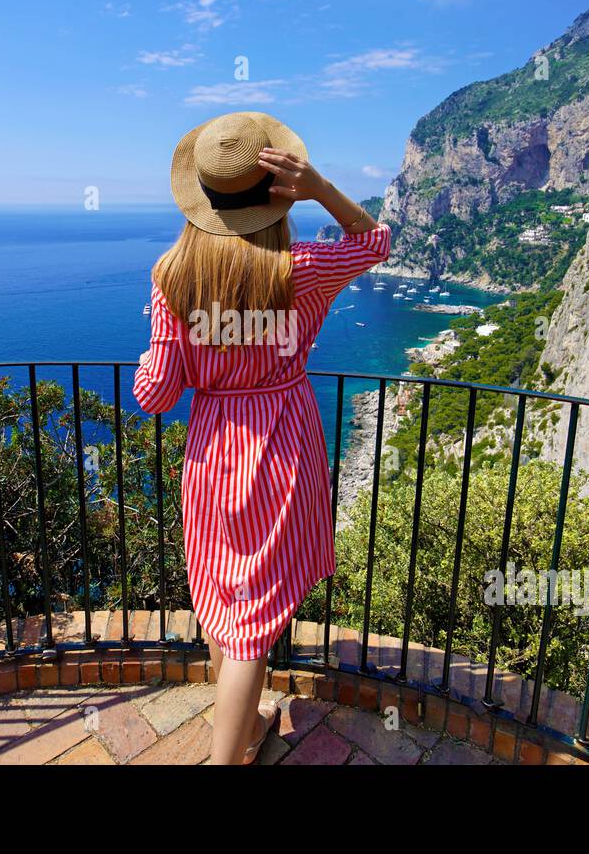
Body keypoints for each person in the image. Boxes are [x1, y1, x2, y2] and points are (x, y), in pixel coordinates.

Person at [132, 111, 391, 764]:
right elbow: (375, 244)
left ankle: (243, 727)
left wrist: (153, 350)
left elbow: (155, 396)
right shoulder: (299, 269)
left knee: (223, 591)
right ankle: (232, 752)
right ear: (276, 192)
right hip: (282, 446)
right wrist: (321, 189)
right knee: (251, 623)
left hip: (214, 450)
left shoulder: (173, 277)